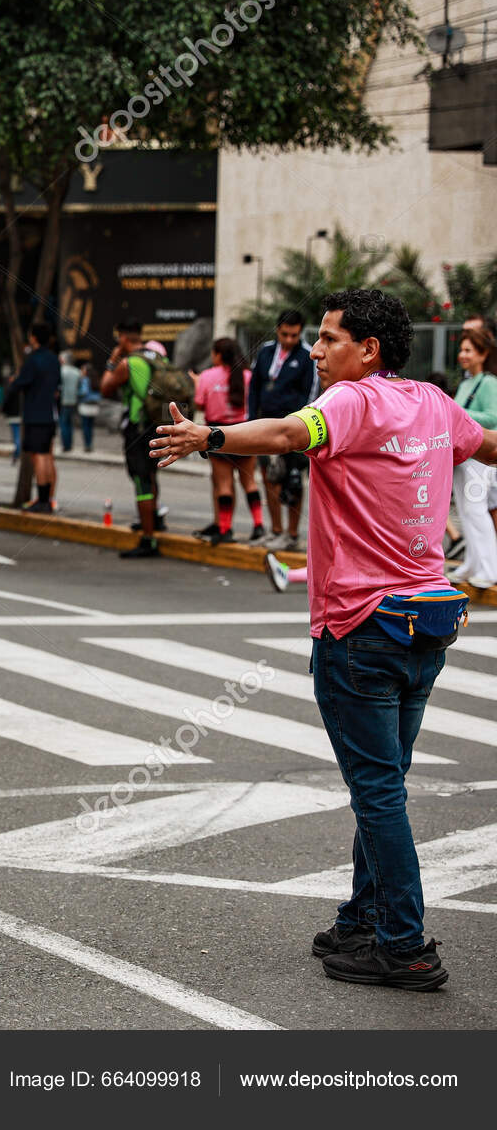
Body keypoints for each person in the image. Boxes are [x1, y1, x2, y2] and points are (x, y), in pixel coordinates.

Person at [153, 287, 497, 991]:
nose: (315, 350)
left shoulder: (350, 402)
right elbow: (489, 445)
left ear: (368, 350)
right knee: (385, 783)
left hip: (360, 627)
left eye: (329, 338)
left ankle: (404, 945)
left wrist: (209, 437)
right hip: (425, 625)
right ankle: (363, 918)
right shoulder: (434, 403)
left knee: (377, 792)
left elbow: (286, 434)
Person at [248, 309, 316, 551]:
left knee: (293, 480)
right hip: (266, 424)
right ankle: (275, 530)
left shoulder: (307, 356)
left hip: (293, 429)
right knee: (270, 476)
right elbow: (254, 386)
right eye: (285, 334)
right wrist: (250, 419)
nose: (289, 339)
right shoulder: (266, 351)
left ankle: (292, 534)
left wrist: (301, 426)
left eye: (294, 335)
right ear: (278, 330)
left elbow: (310, 393)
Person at [100, 318, 165, 557]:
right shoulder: (158, 358)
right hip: (158, 425)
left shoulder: (129, 363)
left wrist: (112, 360)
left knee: (141, 481)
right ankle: (154, 521)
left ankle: (148, 539)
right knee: (151, 476)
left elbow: (105, 387)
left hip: (138, 427)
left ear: (123, 338)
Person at [191, 337, 263, 545]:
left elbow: (199, 405)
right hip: (245, 432)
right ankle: (259, 525)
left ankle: (225, 528)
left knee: (224, 484)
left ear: (218, 355)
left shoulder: (207, 376)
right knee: (249, 482)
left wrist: (197, 384)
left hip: (218, 434)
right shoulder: (248, 376)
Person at [450, 326, 497, 588]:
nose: (462, 355)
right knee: (467, 511)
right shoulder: (467, 383)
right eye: (461, 350)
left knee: (476, 511)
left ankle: (489, 570)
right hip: (464, 456)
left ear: (483, 354)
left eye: (468, 350)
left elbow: (493, 417)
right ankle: (471, 564)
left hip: (481, 457)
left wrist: (459, 413)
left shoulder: (489, 383)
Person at [6, 320, 60, 513]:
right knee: (48, 455)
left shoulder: (33, 360)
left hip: (36, 415)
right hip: (51, 414)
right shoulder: (54, 360)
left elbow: (19, 383)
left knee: (39, 456)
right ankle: (48, 499)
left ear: (33, 338)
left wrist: (14, 381)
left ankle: (43, 500)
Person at [74, 351, 101, 453]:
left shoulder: (85, 379)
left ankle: (87, 445)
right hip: (94, 405)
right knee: (91, 426)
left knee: (85, 426)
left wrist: (77, 392)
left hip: (85, 405)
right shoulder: (95, 379)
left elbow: (83, 391)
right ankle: (90, 444)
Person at [57, 350, 82, 454]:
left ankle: (65, 445)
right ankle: (70, 444)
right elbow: (80, 386)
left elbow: (58, 386)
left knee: (63, 423)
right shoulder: (77, 371)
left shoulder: (61, 371)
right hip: (74, 400)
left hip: (63, 400)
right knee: (70, 424)